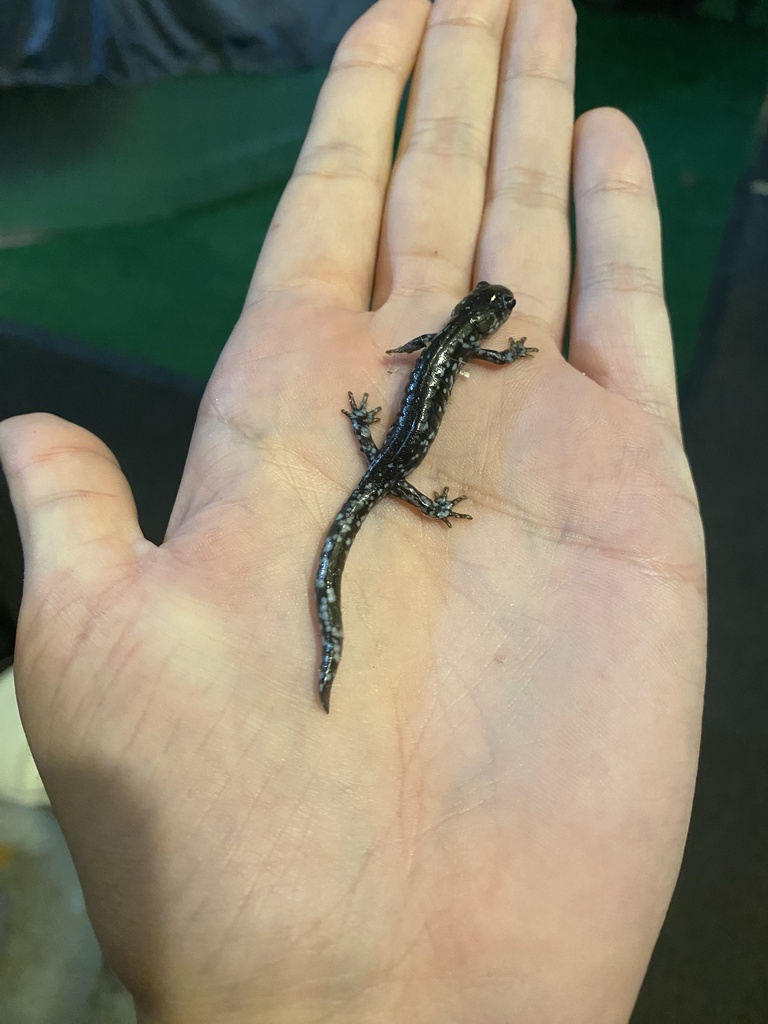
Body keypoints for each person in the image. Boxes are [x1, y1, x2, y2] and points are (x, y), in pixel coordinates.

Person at [0, 0, 706, 1020]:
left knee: (370, 501)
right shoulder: (466, 346)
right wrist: (396, 450)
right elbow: (462, 362)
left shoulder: (448, 343)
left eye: (491, 325)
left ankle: (345, 613)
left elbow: (444, 357)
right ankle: (334, 633)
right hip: (389, 466)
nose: (492, 327)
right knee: (366, 512)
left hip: (390, 459)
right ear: (477, 317)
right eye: (489, 320)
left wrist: (384, 429)